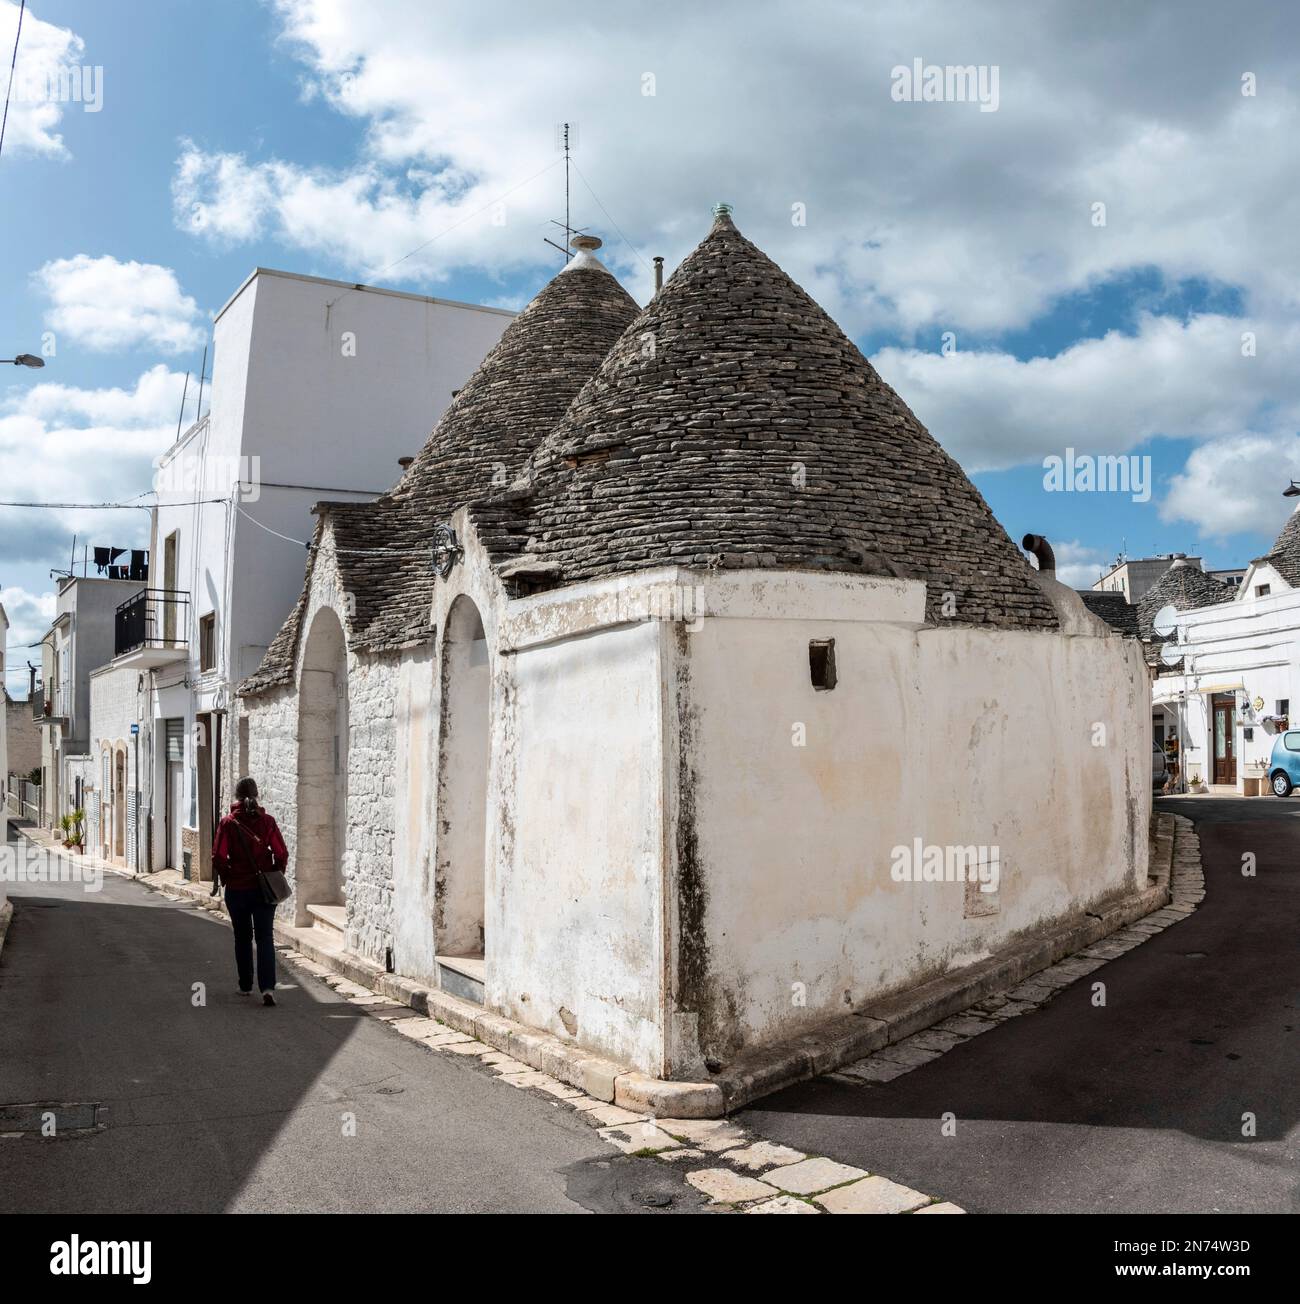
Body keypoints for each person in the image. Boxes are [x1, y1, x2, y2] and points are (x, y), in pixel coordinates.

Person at [212, 777, 288, 1005]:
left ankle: (245, 985)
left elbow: (218, 856)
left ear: (236, 797)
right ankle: (268, 989)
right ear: (256, 795)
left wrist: (228, 877)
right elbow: (281, 852)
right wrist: (273, 873)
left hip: (238, 889)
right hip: (263, 891)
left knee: (242, 937)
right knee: (265, 937)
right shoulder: (268, 822)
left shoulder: (228, 823)